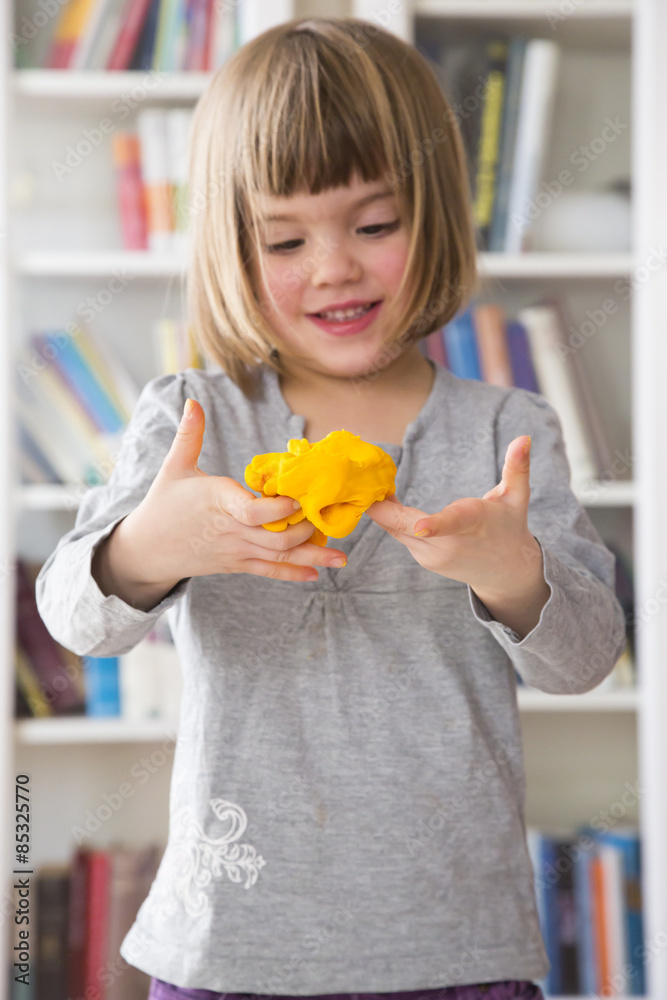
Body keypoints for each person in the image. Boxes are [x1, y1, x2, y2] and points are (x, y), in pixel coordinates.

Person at [35, 16, 626, 1000]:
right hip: (229, 947)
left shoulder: (504, 430)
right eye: (284, 239)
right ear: (232, 244)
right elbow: (72, 617)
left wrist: (510, 574)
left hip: (456, 951)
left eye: (374, 225)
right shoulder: (194, 417)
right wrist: (146, 547)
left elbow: (585, 657)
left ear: (433, 216)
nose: (332, 267)